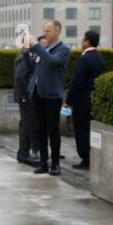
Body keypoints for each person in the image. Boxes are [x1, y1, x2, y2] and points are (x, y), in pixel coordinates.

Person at [22, 19, 69, 176]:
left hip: (52, 96)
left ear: (57, 31)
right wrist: (26, 51)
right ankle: (43, 162)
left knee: (53, 130)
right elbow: (32, 68)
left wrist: (36, 46)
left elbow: (53, 61)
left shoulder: (62, 50)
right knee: (40, 129)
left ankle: (55, 163)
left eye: (48, 30)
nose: (45, 33)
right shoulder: (45, 49)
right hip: (38, 94)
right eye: (45, 30)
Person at [66, 30, 105, 170]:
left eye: (83, 39)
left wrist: (68, 101)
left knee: (81, 129)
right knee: (90, 129)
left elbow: (76, 82)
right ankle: (92, 156)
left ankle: (85, 157)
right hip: (93, 99)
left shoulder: (84, 58)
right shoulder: (100, 57)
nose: (82, 42)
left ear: (87, 41)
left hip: (81, 101)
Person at [12, 29, 40, 166]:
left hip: (25, 96)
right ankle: (23, 154)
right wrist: (25, 95)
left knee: (26, 124)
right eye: (32, 41)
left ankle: (23, 154)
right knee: (27, 125)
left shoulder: (27, 55)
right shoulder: (24, 56)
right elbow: (19, 77)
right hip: (26, 97)